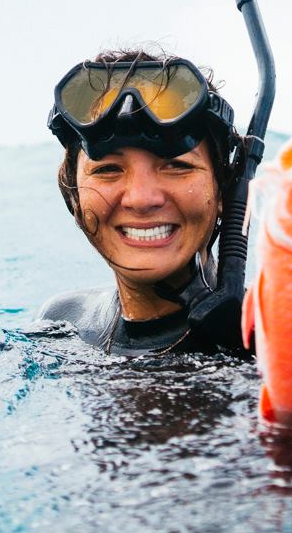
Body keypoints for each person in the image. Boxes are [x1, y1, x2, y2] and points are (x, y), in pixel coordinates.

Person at [36, 49, 253, 357]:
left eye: (176, 166)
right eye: (108, 170)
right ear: (73, 196)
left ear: (224, 193)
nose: (141, 199)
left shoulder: (283, 341)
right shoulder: (62, 323)